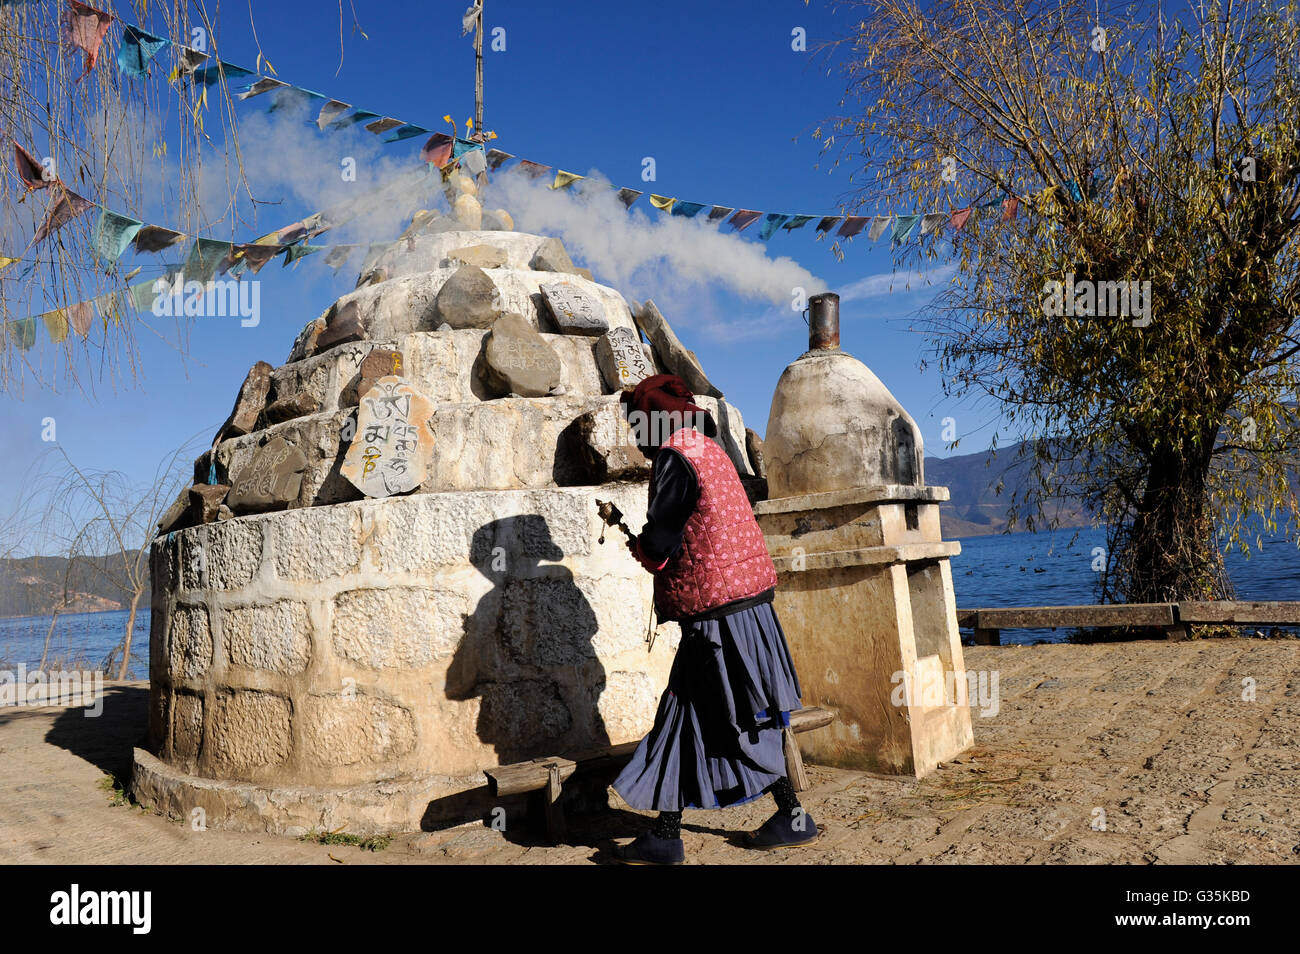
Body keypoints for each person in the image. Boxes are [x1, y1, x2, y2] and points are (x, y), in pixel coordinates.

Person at [611, 373, 819, 865]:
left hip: (716, 616)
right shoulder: (711, 449)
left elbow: (662, 543)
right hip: (748, 604)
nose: (636, 436)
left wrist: (635, 543)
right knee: (721, 712)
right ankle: (785, 818)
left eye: (637, 424)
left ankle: (668, 837)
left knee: (702, 711)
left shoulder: (675, 458)